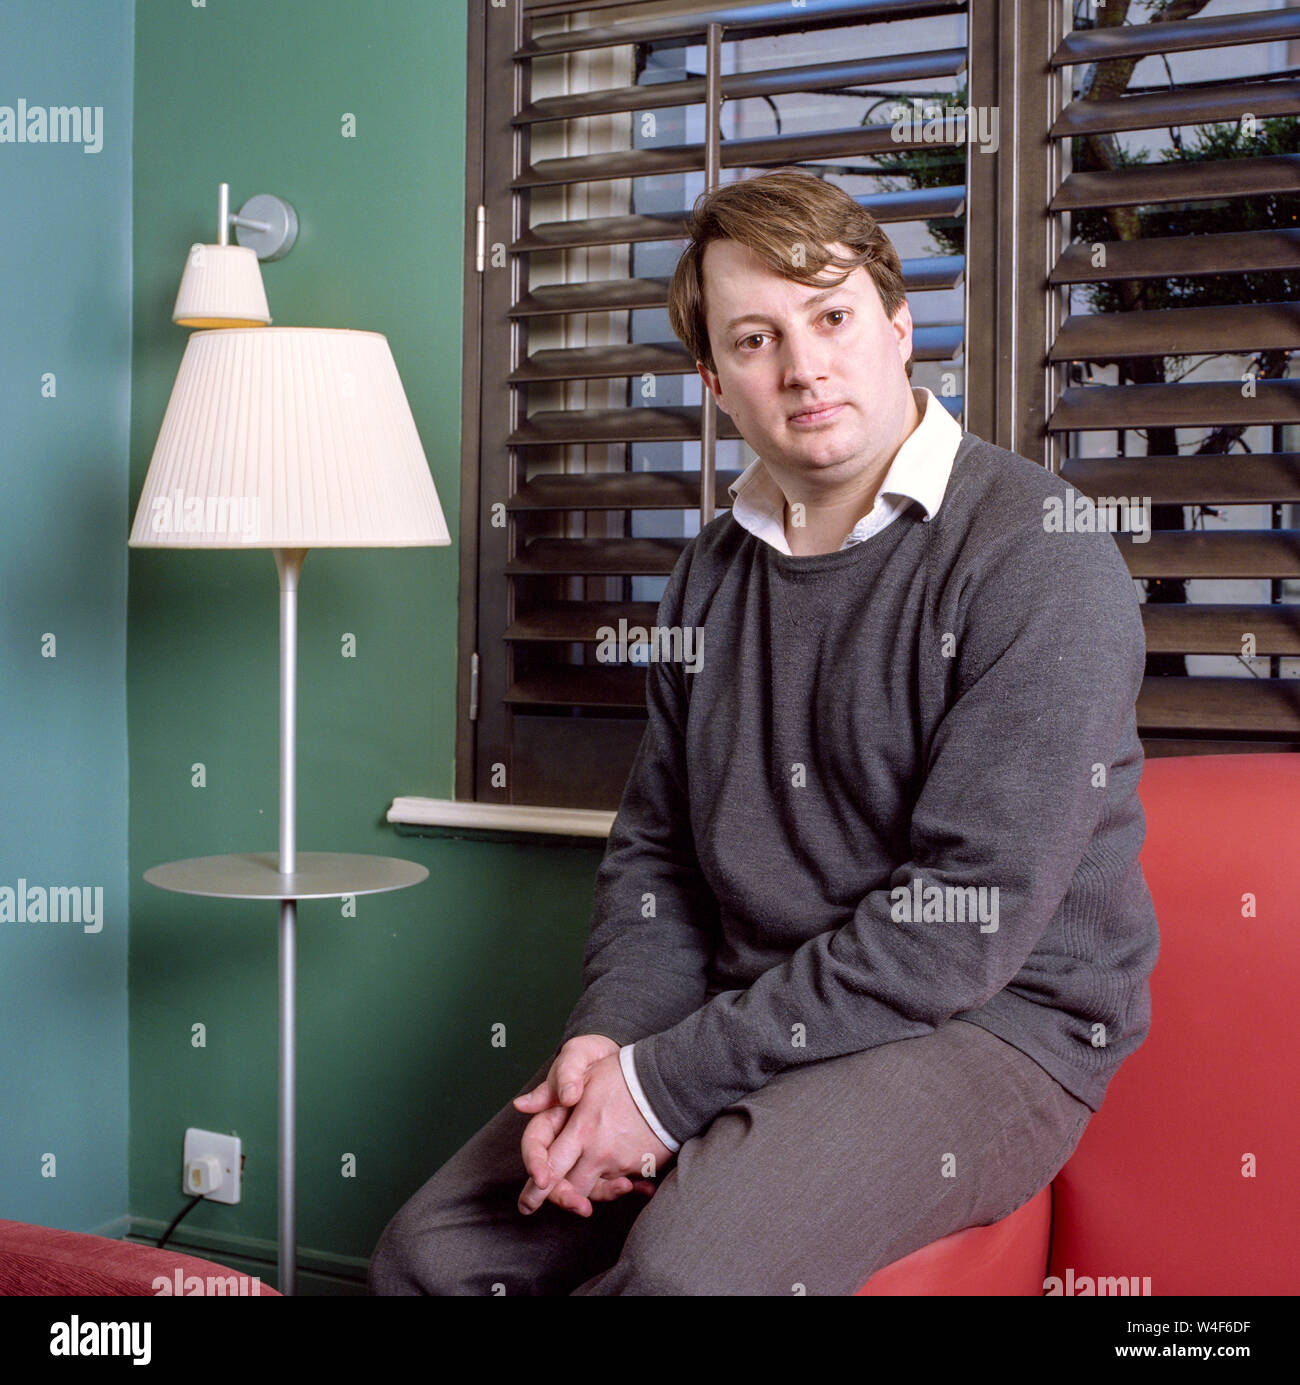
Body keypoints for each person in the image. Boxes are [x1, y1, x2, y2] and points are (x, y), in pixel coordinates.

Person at [369, 167, 1160, 1296]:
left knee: (690, 1270)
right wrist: (608, 1046)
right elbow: (659, 858)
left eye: (831, 317)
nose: (803, 366)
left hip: (992, 1026)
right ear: (715, 382)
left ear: (896, 325)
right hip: (752, 998)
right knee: (429, 1253)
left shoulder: (1038, 550)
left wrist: (658, 1089)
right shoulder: (708, 571)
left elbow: (955, 928)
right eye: (754, 339)